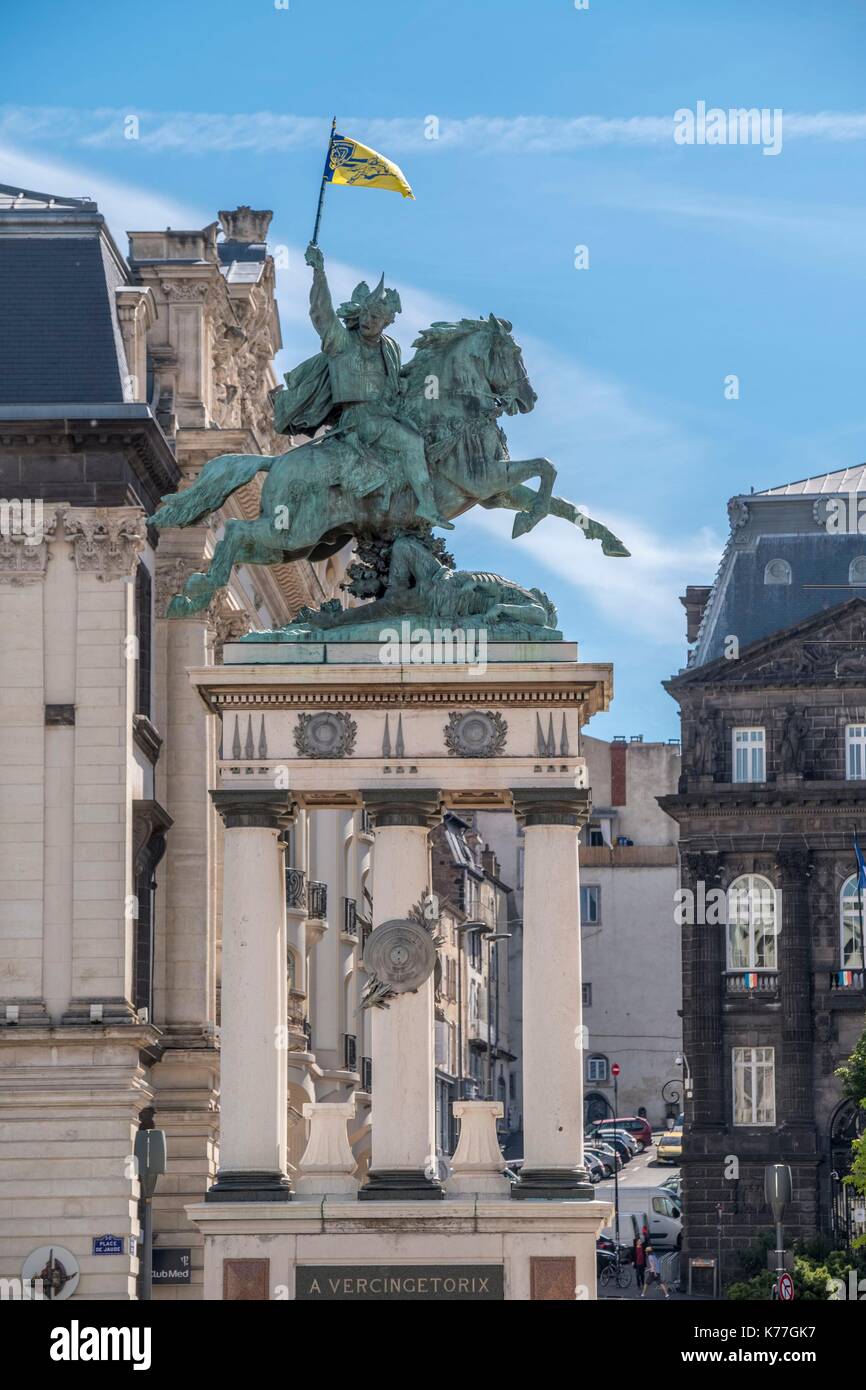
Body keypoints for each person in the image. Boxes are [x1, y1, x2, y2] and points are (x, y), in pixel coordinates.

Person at [289, 242, 453, 532]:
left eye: (375, 317)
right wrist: (319, 273)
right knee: (411, 442)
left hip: (385, 416)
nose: (367, 320)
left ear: (387, 322)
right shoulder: (342, 343)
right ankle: (427, 504)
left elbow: (395, 386)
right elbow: (322, 315)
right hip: (359, 419)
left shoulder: (390, 348)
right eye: (365, 313)